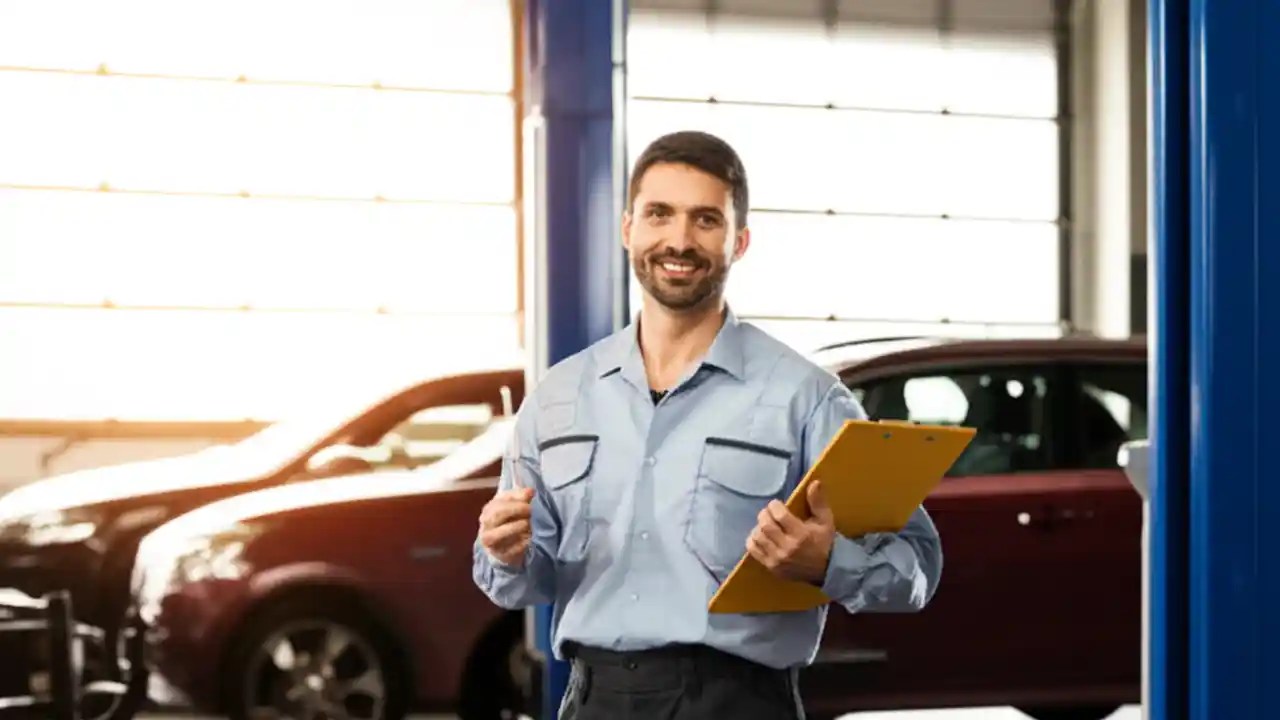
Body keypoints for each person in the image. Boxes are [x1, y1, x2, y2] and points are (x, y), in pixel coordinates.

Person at [472, 130, 942, 720]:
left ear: (739, 241)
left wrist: (828, 563)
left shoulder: (806, 398)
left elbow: (916, 567)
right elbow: (522, 583)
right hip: (593, 700)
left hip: (740, 701)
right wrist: (505, 552)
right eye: (659, 214)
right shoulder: (559, 397)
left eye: (706, 220)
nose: (679, 240)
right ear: (628, 229)